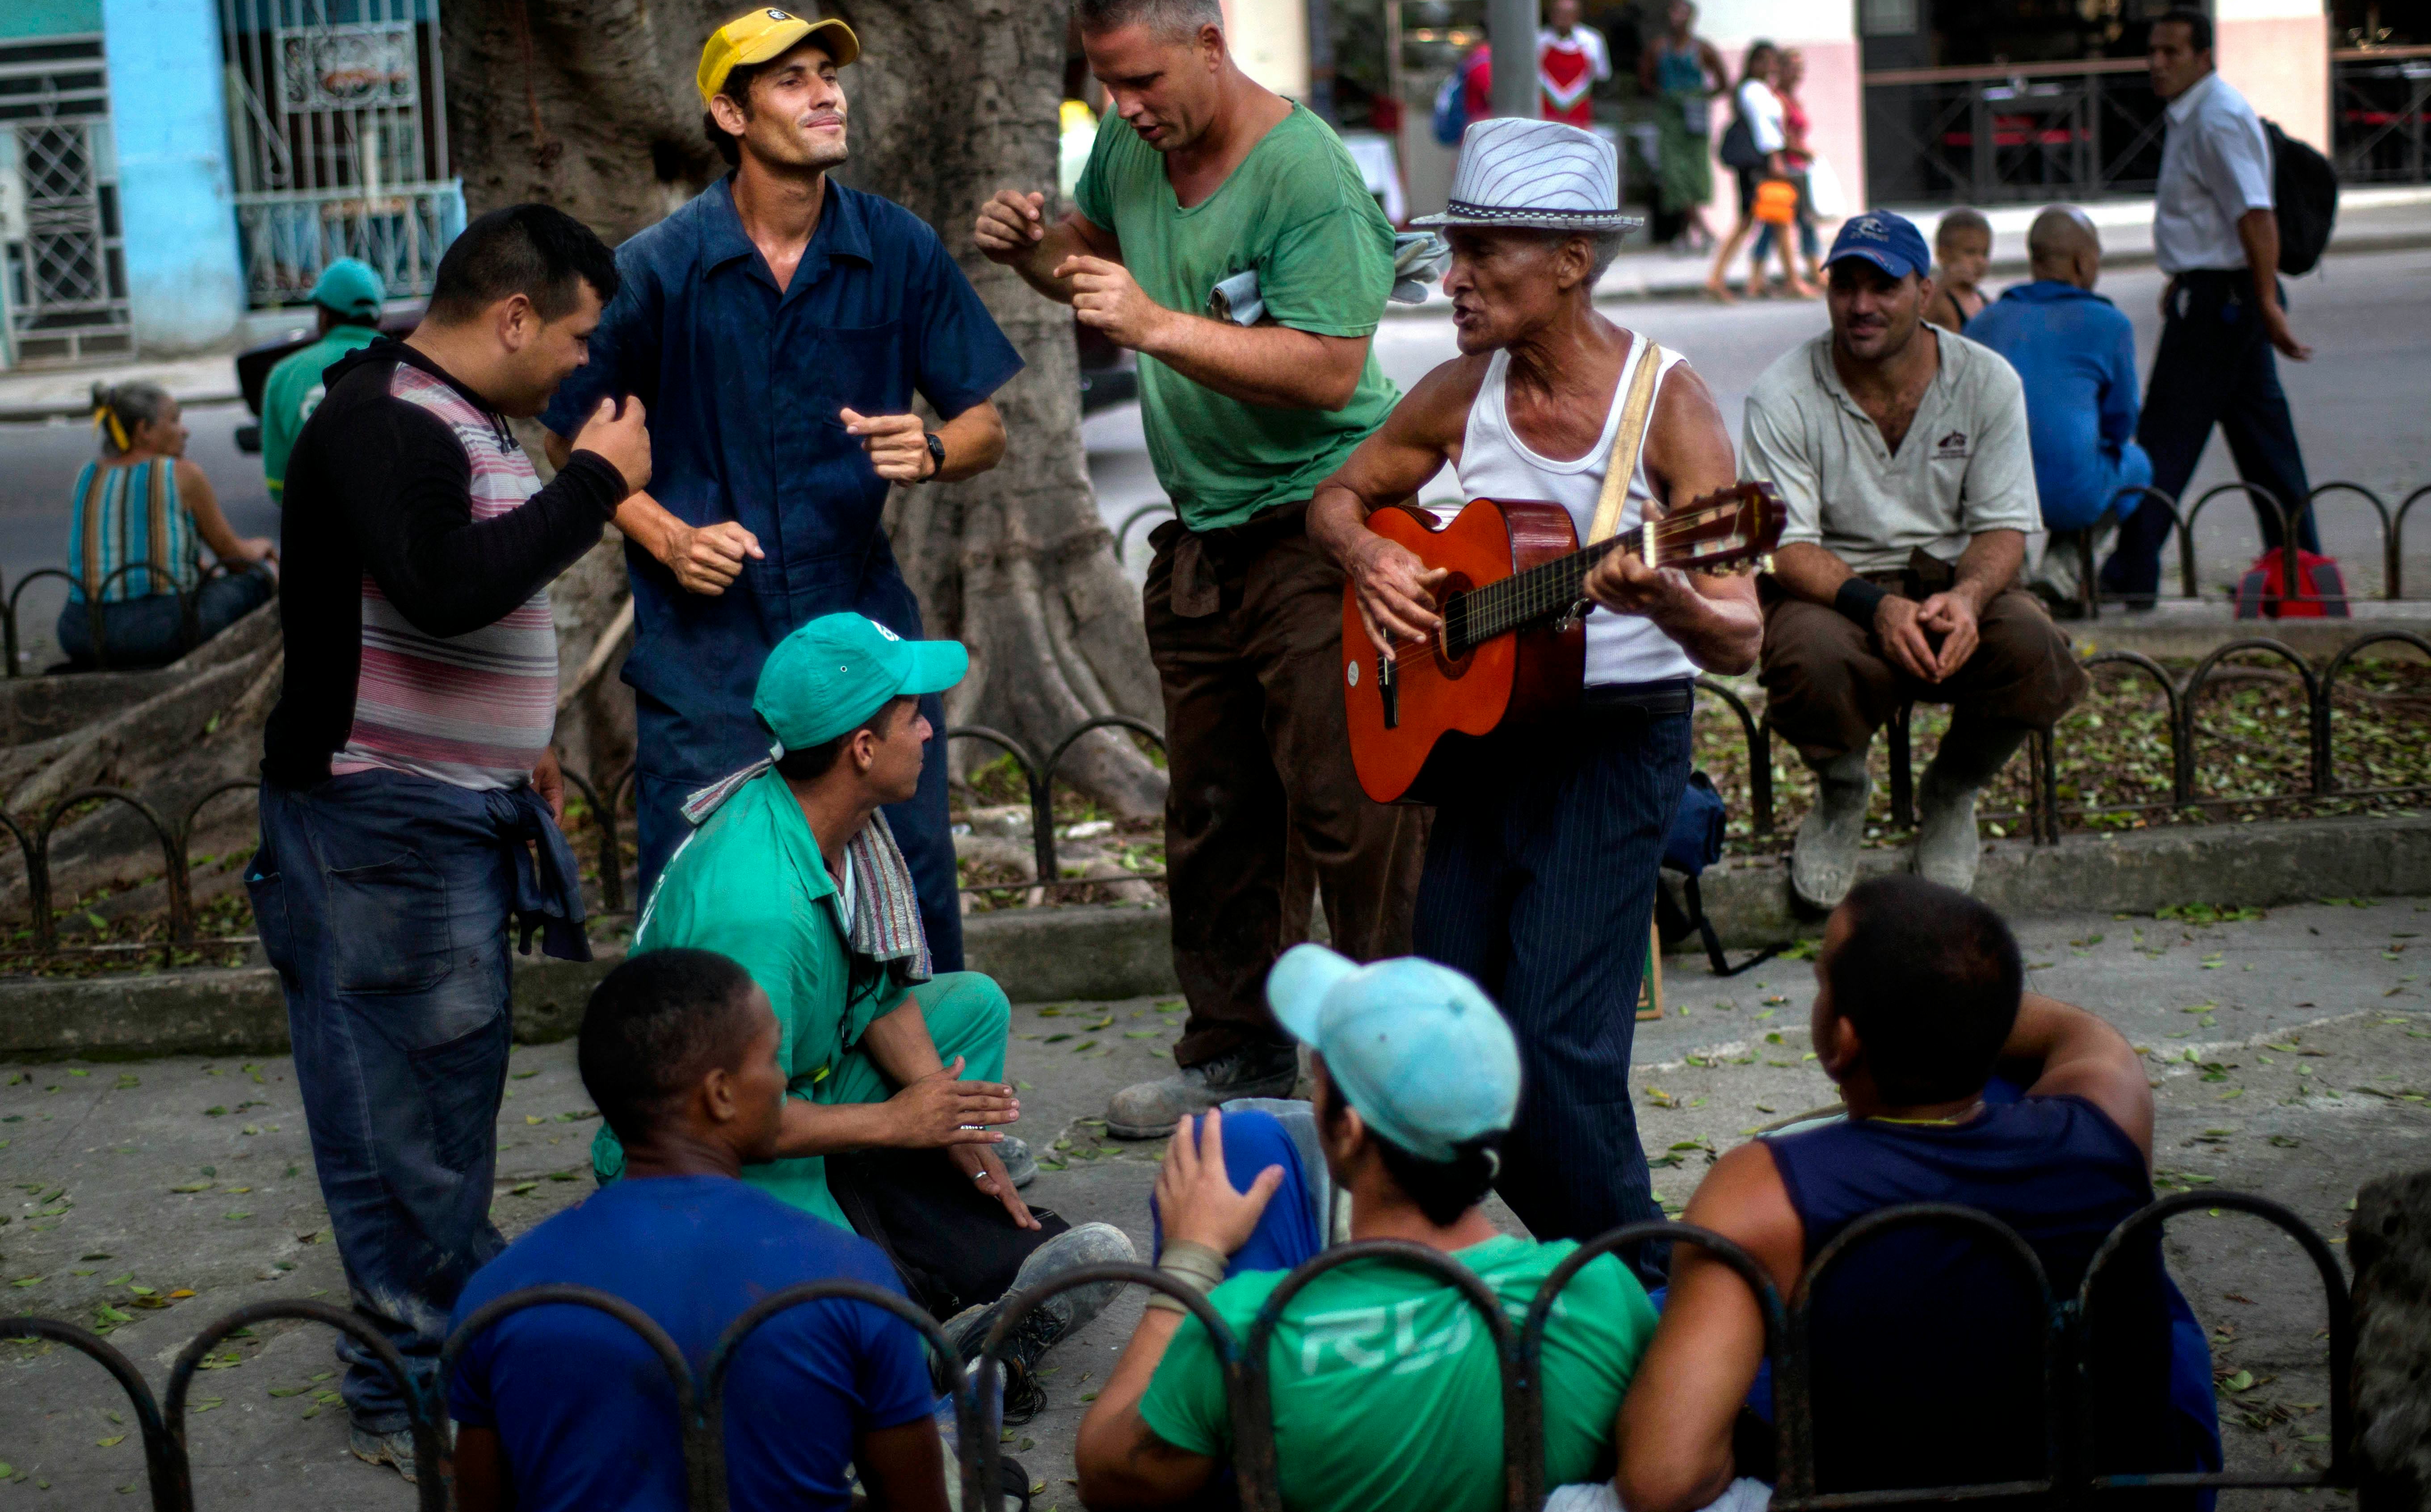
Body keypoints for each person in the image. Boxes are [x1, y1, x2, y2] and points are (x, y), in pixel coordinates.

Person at [976, 0, 1424, 1139]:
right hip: (1207, 535)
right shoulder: (1138, 143)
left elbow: (1330, 369)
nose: (1119, 107)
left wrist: (1160, 327)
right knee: (1220, 815)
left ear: (1212, 45)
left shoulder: (1309, 178)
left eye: (1137, 79)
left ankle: (1399, 1067)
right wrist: (1031, 250)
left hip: (1324, 521)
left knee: (1349, 805)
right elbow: (1090, 253)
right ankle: (1238, 1055)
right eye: (1103, 82)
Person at [248, 202, 654, 1479]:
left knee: (440, 1089)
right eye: (576, 336)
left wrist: (516, 735)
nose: (582, 364)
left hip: (439, 805)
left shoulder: (447, 415)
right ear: (515, 316)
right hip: (379, 815)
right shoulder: (386, 418)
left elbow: (443, 606)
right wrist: (598, 479)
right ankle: (417, 1384)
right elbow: (442, 581)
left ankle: (423, 1355)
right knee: (399, 1105)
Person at [1311, 118, 1760, 1269]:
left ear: (1569, 262)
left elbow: (1743, 632)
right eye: (1451, 251)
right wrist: (1374, 559)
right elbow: (1338, 498)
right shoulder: (1463, 391)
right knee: (1447, 1032)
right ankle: (1554, 1272)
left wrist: (1670, 603)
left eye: (1481, 252)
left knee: (1558, 1049)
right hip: (1484, 745)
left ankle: (1652, 1290)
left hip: (1614, 748)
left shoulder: (1665, 403)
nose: (1451, 278)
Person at [538, 8, 1022, 949]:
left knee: (906, 897)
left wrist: (927, 448)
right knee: (706, 907)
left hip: (858, 625)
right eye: (790, 79)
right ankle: (715, 1095)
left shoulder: (898, 247)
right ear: (729, 113)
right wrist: (664, 533)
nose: (824, 93)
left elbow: (986, 426)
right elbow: (572, 441)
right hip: (707, 644)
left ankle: (919, 1091)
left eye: (826, 74)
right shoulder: (655, 268)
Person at [604, 610, 1131, 1418]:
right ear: (861, 749)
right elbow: (732, 1120)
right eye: (910, 717)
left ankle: (930, 1228)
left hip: (796, 1074)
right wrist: (896, 1123)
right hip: (709, 1148)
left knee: (971, 1008)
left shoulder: (839, 820)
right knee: (868, 1341)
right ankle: (944, 1351)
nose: (927, 729)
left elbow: (875, 989)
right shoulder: (761, 913)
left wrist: (954, 1128)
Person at [1615, 877, 2219, 1512]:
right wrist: (1954, 1002)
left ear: (1842, 1040)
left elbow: (1663, 1478)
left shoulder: (1759, 1189)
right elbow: (2077, 1031)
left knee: (1639, 1333)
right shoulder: (2109, 1123)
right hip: (2133, 1491)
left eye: (1822, 980)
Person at [1075, 945, 1661, 1512]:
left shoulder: (1249, 1327)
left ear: (1349, 1130)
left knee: (1237, 1143)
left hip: (1283, 1415)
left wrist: (1191, 1257)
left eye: (1320, 1075)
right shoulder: (1597, 1290)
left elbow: (1108, 1472)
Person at [449, 949, 950, 1512]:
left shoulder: (498, 1293)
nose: (783, 1077)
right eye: (771, 1058)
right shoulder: (848, 1275)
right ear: (720, 1093)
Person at [1741, 211, 2084, 904]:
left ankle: (1953, 789)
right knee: (1805, 657)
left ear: (1924, 292)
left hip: (1949, 581)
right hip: (1836, 590)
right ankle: (1843, 794)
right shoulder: (1783, 393)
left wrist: (1967, 599)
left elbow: (2004, 528)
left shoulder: (1987, 382)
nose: (1861, 305)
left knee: (2034, 647)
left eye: (1884, 287)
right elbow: (1785, 545)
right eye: (1846, 286)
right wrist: (1877, 605)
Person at [2104, 6, 2318, 607]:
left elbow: (2255, 214)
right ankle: (2303, 575)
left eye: (2172, 52)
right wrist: (2190, 273)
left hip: (2221, 308)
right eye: (2153, 51)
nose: (2157, 63)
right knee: (2267, 449)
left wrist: (2268, 301)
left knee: (2165, 442)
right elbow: (2215, 220)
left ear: (2204, 57)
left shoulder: (2217, 119)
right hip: (2215, 296)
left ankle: (2132, 570)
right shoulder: (2194, 115)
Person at [1966, 207, 2153, 614]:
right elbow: (2122, 421)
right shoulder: (2109, 323)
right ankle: (2063, 566)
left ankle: (2016, 570)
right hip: (2070, 496)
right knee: (2135, 463)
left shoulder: (1984, 322)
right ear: (2082, 262)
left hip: (1993, 496)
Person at [62, 382, 275, 669]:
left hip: (82, 630)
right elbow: (233, 558)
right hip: (161, 629)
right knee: (261, 578)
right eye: (175, 421)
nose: (184, 431)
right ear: (144, 431)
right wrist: (262, 547)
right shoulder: (182, 474)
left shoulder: (86, 474)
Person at [259, 256, 386, 503]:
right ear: (379, 315)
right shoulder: (411, 367)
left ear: (324, 315)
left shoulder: (284, 375)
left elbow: (277, 484)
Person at [1704, 42, 1805, 302]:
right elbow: (1764, 128)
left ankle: (1790, 278)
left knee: (1778, 218)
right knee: (1746, 220)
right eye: (1767, 60)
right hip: (1758, 165)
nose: (1772, 66)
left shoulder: (1759, 90)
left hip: (1759, 163)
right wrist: (1776, 159)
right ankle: (1715, 279)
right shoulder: (1754, 90)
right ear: (1755, 63)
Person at [1637, 0, 1728, 250]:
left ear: (1692, 18)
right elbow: (1645, 78)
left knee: (1696, 172)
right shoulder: (1658, 47)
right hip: (1670, 119)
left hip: (1695, 118)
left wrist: (1701, 99)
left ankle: (1685, 234)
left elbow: (1722, 82)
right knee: (1674, 174)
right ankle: (1703, 231)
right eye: (1673, 13)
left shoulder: (1702, 49)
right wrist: (1664, 97)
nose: (1677, 19)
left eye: (1683, 14)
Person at [1747, 48, 1823, 291]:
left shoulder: (1792, 98)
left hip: (1797, 166)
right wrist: (1802, 152)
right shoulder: (1777, 98)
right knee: (1796, 220)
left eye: (1800, 68)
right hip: (1787, 166)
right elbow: (1779, 136)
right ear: (1780, 69)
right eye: (1792, 66)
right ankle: (1810, 273)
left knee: (1776, 221)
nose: (1798, 73)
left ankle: (1757, 278)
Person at [1538, 0, 1613, 129]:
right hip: (1545, 116)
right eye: (1558, 12)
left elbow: (1602, 76)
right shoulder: (1538, 40)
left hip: (1580, 113)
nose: (1562, 17)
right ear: (1551, 14)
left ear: (1578, 15)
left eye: (1568, 13)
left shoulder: (1592, 40)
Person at [1921, 207, 1992, 334]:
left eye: (1985, 254)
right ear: (1943, 254)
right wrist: (1943, 284)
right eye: (1971, 252)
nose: (1980, 261)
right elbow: (1916, 326)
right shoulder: (1941, 300)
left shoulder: (1984, 301)